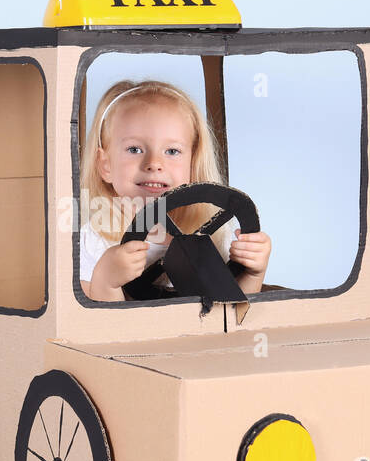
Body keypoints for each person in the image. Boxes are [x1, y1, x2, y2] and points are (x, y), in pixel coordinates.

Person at [78, 79, 272, 302]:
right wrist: (106, 281)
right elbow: (98, 331)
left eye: (172, 151)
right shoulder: (92, 242)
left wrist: (253, 272)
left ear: (193, 163)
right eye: (134, 149)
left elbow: (234, 311)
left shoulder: (216, 236)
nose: (154, 163)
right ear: (105, 165)